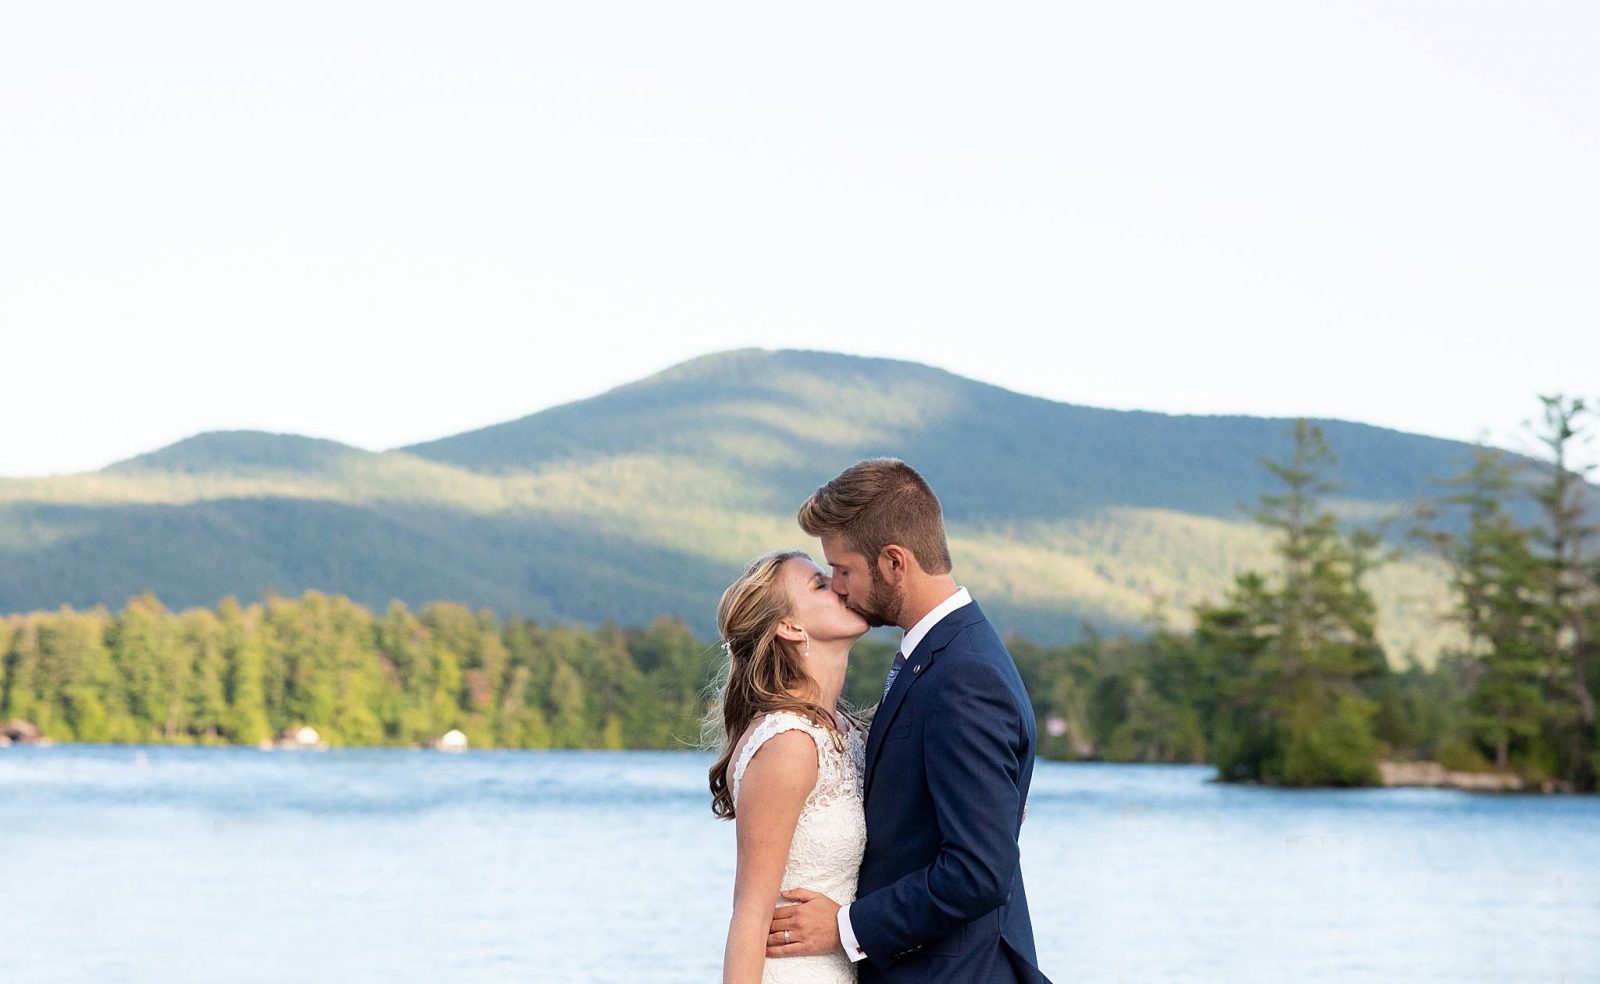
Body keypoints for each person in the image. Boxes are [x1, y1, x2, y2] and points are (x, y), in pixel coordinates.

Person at [765, 459, 1051, 983]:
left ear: (895, 562)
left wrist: (846, 928)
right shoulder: (944, 655)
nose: (840, 588)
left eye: (845, 571)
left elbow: (980, 872)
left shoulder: (965, 676)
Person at [709, 550, 871, 984]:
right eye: (820, 584)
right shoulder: (789, 744)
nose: (839, 585)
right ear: (790, 627)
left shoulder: (852, 732)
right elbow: (749, 913)